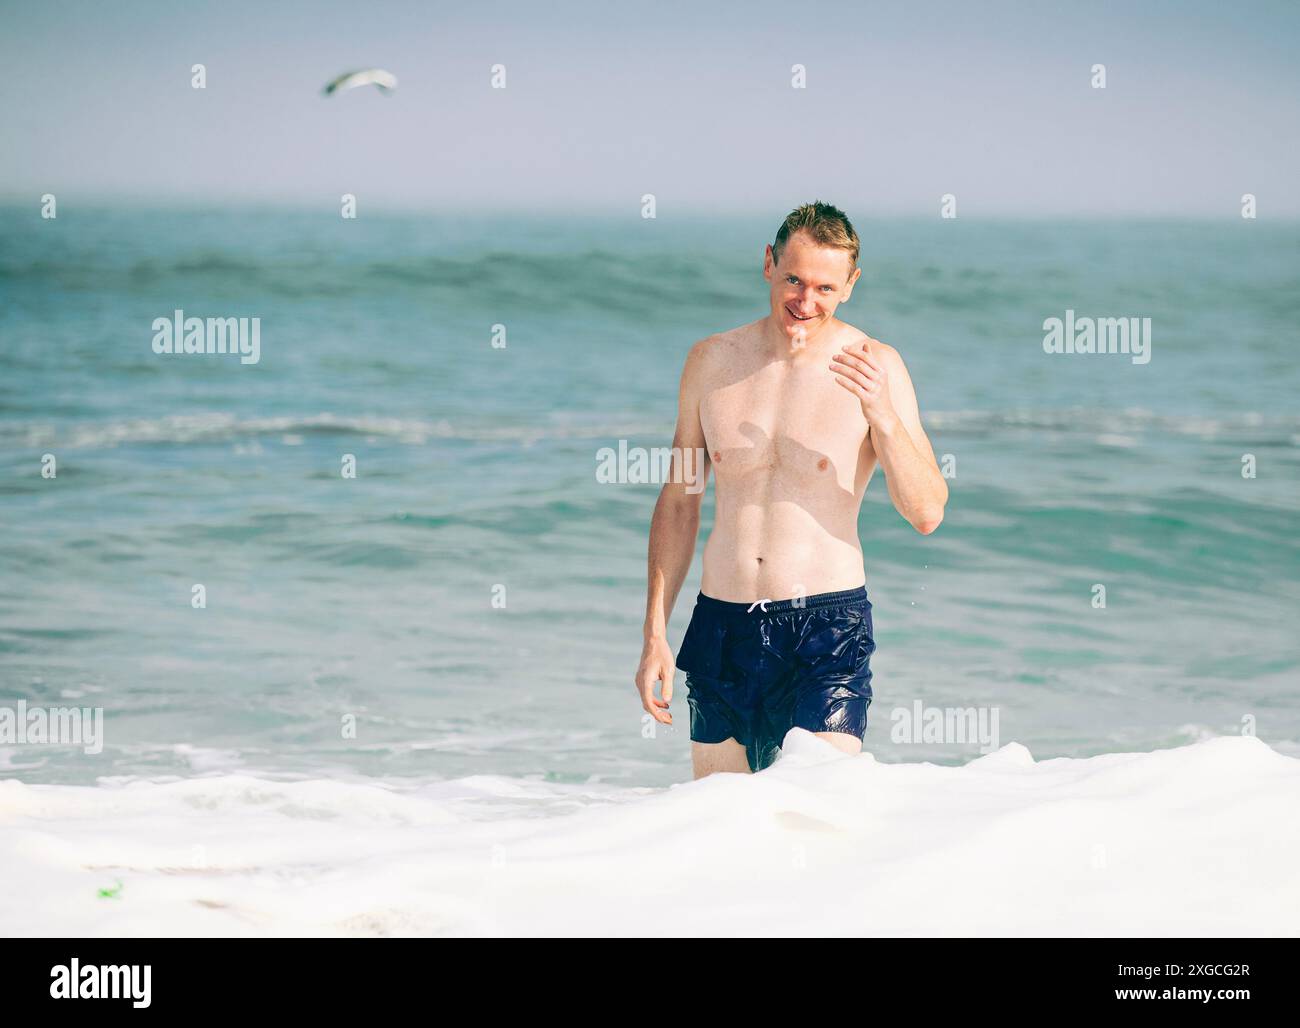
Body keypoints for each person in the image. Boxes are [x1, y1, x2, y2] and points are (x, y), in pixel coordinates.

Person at [635, 201, 948, 778]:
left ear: (851, 285)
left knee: (816, 817)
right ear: (768, 264)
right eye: (794, 280)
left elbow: (926, 511)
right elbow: (680, 500)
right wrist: (655, 629)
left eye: (826, 288)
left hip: (825, 631)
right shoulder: (711, 362)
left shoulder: (879, 368)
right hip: (721, 627)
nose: (806, 302)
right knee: (717, 825)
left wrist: (882, 414)